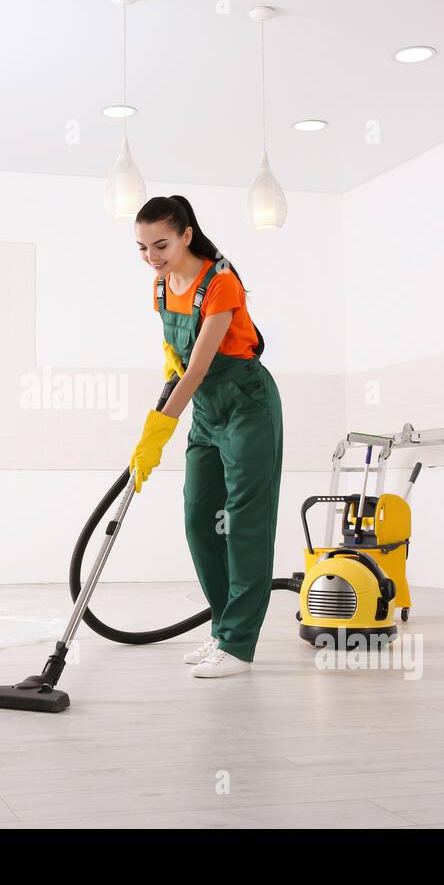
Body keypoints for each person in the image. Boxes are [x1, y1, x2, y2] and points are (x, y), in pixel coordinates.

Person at [129, 195, 284, 678]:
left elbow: (197, 370)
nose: (152, 256)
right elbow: (180, 359)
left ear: (186, 235)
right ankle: (222, 630)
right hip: (206, 414)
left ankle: (238, 646)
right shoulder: (160, 286)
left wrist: (154, 434)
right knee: (200, 518)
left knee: (245, 525)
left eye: (161, 244)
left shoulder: (220, 283)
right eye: (142, 247)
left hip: (247, 406)